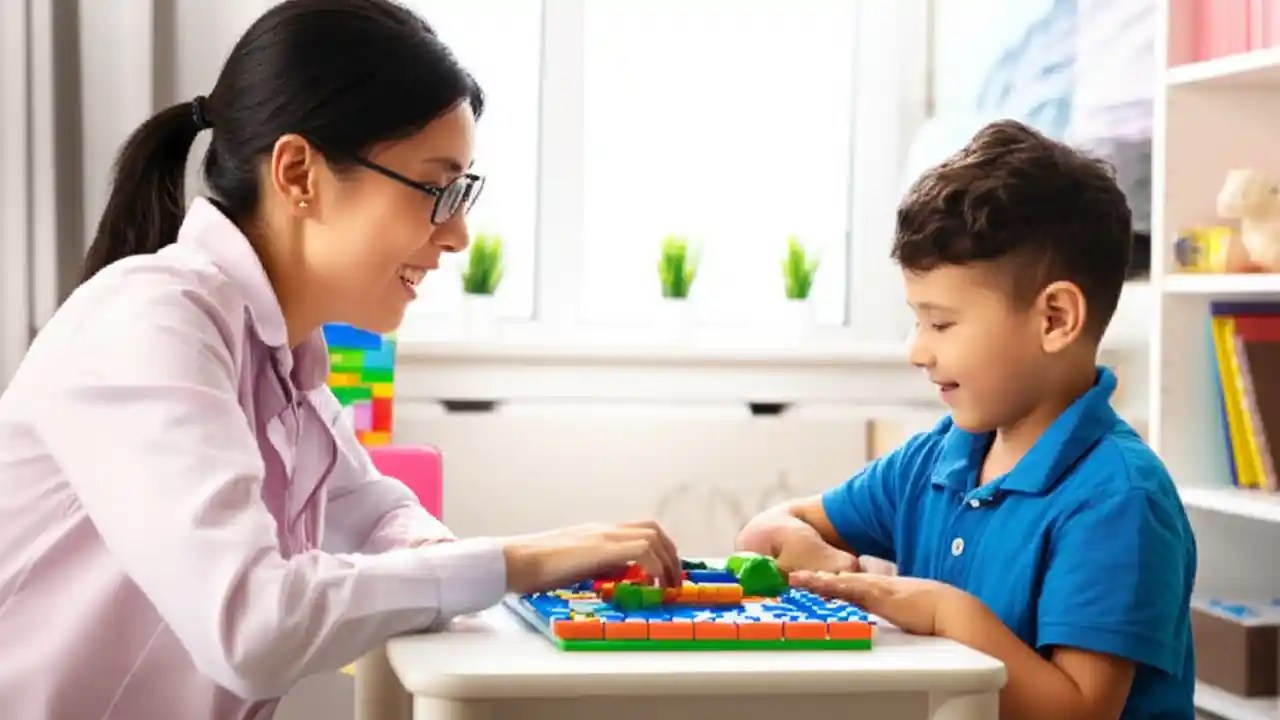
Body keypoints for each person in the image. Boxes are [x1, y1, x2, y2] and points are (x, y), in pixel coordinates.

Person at [0, 1, 681, 718]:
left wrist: (473, 560)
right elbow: (253, 626)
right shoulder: (152, 318)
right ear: (298, 173)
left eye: (464, 192)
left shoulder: (286, 358)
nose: (458, 236)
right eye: (437, 190)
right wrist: (518, 561)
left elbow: (379, 512)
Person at [736, 120, 1195, 720]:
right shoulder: (935, 460)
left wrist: (944, 612)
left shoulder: (1119, 500)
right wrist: (816, 555)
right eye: (916, 319)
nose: (916, 350)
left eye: (941, 323)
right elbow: (770, 530)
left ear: (1055, 318)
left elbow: (1078, 712)